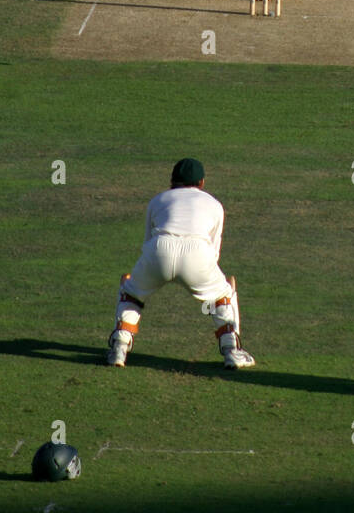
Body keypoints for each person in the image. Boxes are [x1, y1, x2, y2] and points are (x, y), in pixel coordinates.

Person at [104, 158, 254, 371]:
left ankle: (119, 348)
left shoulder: (158, 200)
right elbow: (214, 252)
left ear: (172, 181)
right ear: (201, 182)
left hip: (159, 249)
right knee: (223, 294)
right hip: (198, 254)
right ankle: (232, 352)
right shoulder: (214, 204)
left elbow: (147, 242)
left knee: (131, 291)